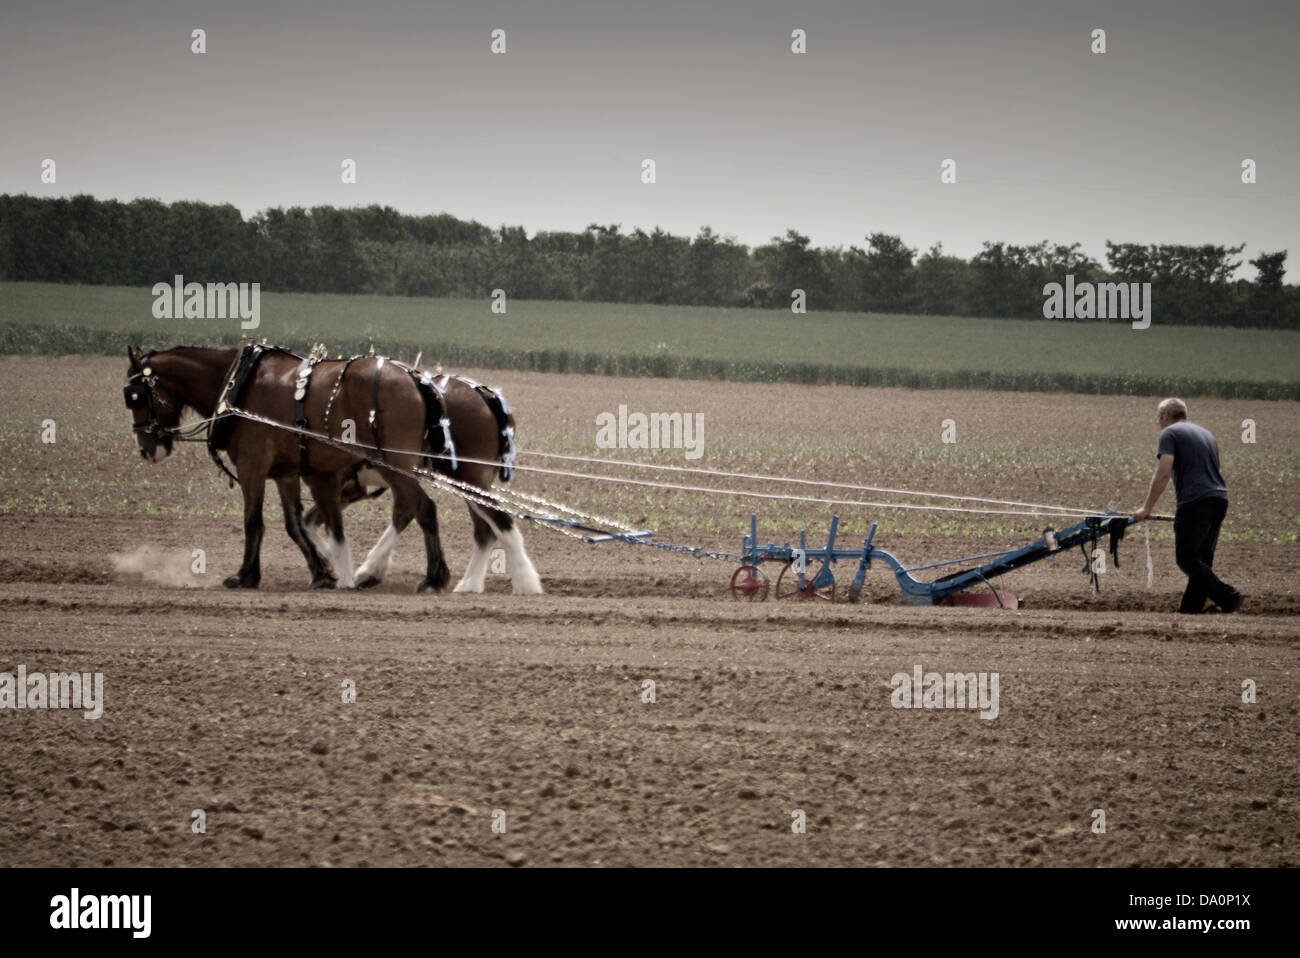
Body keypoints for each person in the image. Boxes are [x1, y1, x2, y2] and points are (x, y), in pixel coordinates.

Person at [1133, 398, 1242, 614]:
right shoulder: (1206, 435)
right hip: (1219, 498)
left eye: (1158, 417)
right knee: (1202, 559)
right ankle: (1190, 608)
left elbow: (1164, 472)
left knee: (1186, 558)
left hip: (1195, 501)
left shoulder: (1169, 433)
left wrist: (1146, 509)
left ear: (1165, 416)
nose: (1158, 422)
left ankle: (1228, 596)